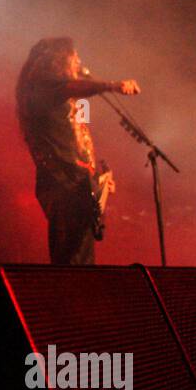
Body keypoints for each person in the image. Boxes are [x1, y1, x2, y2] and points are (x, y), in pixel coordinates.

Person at [15, 37, 140, 265]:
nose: (79, 62)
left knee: (82, 258)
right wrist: (112, 85)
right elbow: (71, 87)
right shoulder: (41, 90)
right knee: (72, 261)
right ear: (57, 60)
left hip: (77, 183)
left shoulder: (63, 99)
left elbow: (76, 141)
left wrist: (97, 179)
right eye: (74, 57)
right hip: (62, 184)